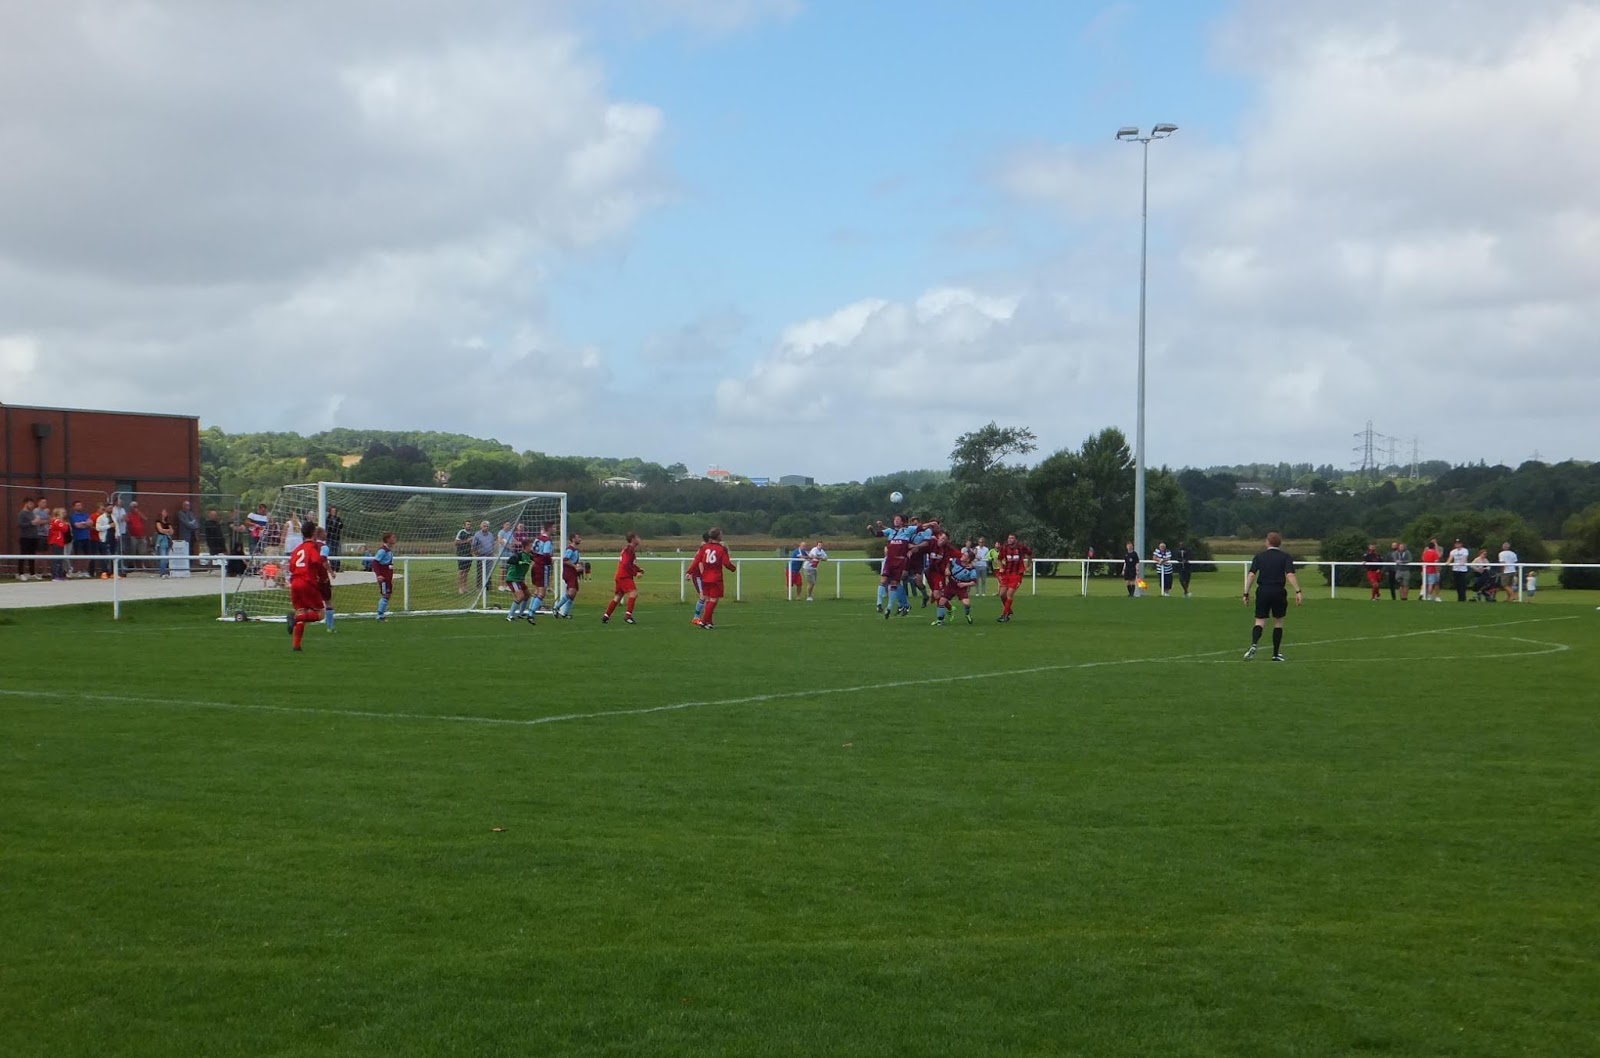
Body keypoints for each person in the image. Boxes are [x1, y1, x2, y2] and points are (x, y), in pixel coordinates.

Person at [1243, 531, 1303, 662]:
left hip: (1263, 590)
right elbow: (1290, 574)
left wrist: (1246, 593)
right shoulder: (1285, 557)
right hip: (1278, 591)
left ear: (1267, 542)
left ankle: (1254, 644)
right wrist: (1298, 591)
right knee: (1278, 622)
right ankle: (1275, 654)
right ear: (1279, 543)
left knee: (1259, 621)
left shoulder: (1259, 556)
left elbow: (1252, 575)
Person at [286, 518, 329, 651]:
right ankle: (294, 618)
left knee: (302, 612)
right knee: (321, 614)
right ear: (314, 533)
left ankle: (296, 645)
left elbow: (291, 567)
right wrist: (324, 578)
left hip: (295, 583)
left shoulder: (297, 549)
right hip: (307, 583)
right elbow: (317, 562)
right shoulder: (312, 548)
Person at [687, 527, 736, 629]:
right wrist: (733, 568)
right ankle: (703, 621)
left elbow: (697, 560)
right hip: (716, 578)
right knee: (713, 600)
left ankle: (709, 622)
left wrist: (689, 571)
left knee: (709, 599)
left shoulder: (704, 547)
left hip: (705, 577)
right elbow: (726, 563)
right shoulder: (721, 549)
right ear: (718, 536)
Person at [868, 516, 915, 617]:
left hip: (900, 561)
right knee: (884, 581)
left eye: (898, 519)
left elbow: (921, 529)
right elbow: (877, 534)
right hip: (889, 560)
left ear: (903, 522)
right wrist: (871, 529)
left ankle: (892, 607)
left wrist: (930, 525)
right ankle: (879, 604)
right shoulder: (890, 531)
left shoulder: (908, 530)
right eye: (894, 519)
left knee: (895, 583)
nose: (896, 520)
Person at [604, 531, 645, 624]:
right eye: (638, 538)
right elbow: (626, 564)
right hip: (624, 576)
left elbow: (629, 564)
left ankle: (606, 616)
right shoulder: (629, 549)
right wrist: (635, 573)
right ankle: (628, 616)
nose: (639, 539)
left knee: (618, 597)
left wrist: (638, 569)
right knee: (633, 593)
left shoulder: (628, 549)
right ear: (633, 539)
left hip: (620, 575)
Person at [995, 532, 1033, 623]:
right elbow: (999, 558)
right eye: (1009, 538)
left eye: (1012, 538)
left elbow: (1030, 553)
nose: (1010, 540)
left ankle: (1004, 615)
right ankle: (1009, 611)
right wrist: (1001, 568)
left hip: (1017, 574)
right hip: (1006, 573)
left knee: (1009, 594)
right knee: (1002, 594)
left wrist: (1028, 565)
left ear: (1016, 539)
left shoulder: (1021, 547)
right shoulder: (1004, 547)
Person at [503, 538, 537, 623]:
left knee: (527, 595)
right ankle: (510, 616)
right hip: (513, 579)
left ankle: (521, 614)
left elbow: (537, 559)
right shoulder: (519, 555)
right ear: (525, 547)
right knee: (520, 596)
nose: (532, 547)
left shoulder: (529, 555)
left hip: (520, 580)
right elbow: (510, 561)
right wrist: (518, 562)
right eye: (530, 546)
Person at [554, 533, 585, 618]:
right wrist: (575, 566)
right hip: (569, 573)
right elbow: (565, 560)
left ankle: (565, 613)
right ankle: (556, 608)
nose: (580, 539)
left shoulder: (575, 549)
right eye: (578, 537)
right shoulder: (570, 549)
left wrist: (580, 566)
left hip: (573, 573)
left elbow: (574, 561)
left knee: (573, 593)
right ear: (573, 539)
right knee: (571, 593)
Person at [316, 527, 338, 631]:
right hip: (322, 577)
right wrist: (331, 572)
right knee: (328, 601)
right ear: (320, 534)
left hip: (312, 577)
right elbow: (323, 561)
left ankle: (299, 621)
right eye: (324, 532)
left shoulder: (311, 545)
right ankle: (330, 627)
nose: (326, 533)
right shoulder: (324, 547)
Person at [372, 532, 396, 621]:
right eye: (393, 537)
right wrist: (379, 575)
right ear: (388, 539)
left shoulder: (389, 550)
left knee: (388, 595)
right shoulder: (383, 550)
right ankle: (380, 616)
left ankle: (381, 614)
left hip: (388, 576)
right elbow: (375, 562)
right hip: (384, 577)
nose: (395, 539)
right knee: (385, 595)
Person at [16, 498, 38, 580]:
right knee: (23, 555)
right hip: (25, 537)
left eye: (32, 504)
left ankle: (32, 573)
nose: (32, 506)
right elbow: (20, 524)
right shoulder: (22, 513)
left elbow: (35, 523)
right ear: (26, 504)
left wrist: (37, 521)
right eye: (30, 504)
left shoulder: (32, 513)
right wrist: (31, 523)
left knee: (32, 556)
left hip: (33, 537)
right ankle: (20, 573)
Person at [68, 500, 92, 578]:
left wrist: (83, 524)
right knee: (78, 555)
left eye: (81, 505)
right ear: (74, 507)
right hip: (77, 538)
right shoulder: (73, 516)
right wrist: (85, 523)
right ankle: (78, 571)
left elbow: (90, 523)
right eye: (78, 505)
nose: (80, 507)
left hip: (86, 537)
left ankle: (85, 571)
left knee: (87, 555)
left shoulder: (86, 515)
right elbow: (77, 526)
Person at [47, 507, 70, 581]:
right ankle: (55, 575)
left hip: (60, 542)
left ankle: (60, 575)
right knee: (56, 559)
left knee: (60, 559)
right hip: (56, 542)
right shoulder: (56, 521)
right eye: (62, 513)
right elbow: (65, 528)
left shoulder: (58, 521)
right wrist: (65, 524)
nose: (64, 515)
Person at [125, 502, 148, 569]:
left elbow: (145, 519)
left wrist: (139, 513)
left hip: (142, 536)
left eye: (137, 506)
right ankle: (134, 565)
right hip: (133, 536)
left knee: (142, 551)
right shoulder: (128, 515)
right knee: (133, 551)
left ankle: (143, 565)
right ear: (131, 508)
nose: (136, 508)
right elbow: (125, 521)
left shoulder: (139, 514)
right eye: (134, 507)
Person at [453, 519, 473, 593]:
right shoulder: (461, 532)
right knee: (461, 572)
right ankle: (460, 588)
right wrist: (466, 541)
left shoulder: (471, 533)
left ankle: (465, 587)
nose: (469, 526)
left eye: (470, 524)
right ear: (464, 526)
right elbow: (456, 542)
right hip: (462, 554)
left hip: (469, 554)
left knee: (466, 571)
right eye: (467, 524)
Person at [154, 509, 175, 577]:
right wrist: (167, 531)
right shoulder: (158, 522)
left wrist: (166, 531)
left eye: (166, 512)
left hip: (167, 540)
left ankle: (165, 571)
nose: (165, 513)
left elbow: (172, 532)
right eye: (164, 512)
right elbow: (160, 530)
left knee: (166, 558)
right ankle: (162, 572)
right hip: (162, 540)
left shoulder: (168, 523)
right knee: (163, 557)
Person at [324, 505, 344, 571]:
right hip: (329, 538)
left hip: (336, 538)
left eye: (334, 511)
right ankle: (332, 566)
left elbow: (341, 527)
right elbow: (326, 527)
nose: (333, 512)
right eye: (332, 511)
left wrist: (340, 524)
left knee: (336, 552)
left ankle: (337, 567)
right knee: (331, 552)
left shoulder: (338, 519)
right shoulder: (327, 519)